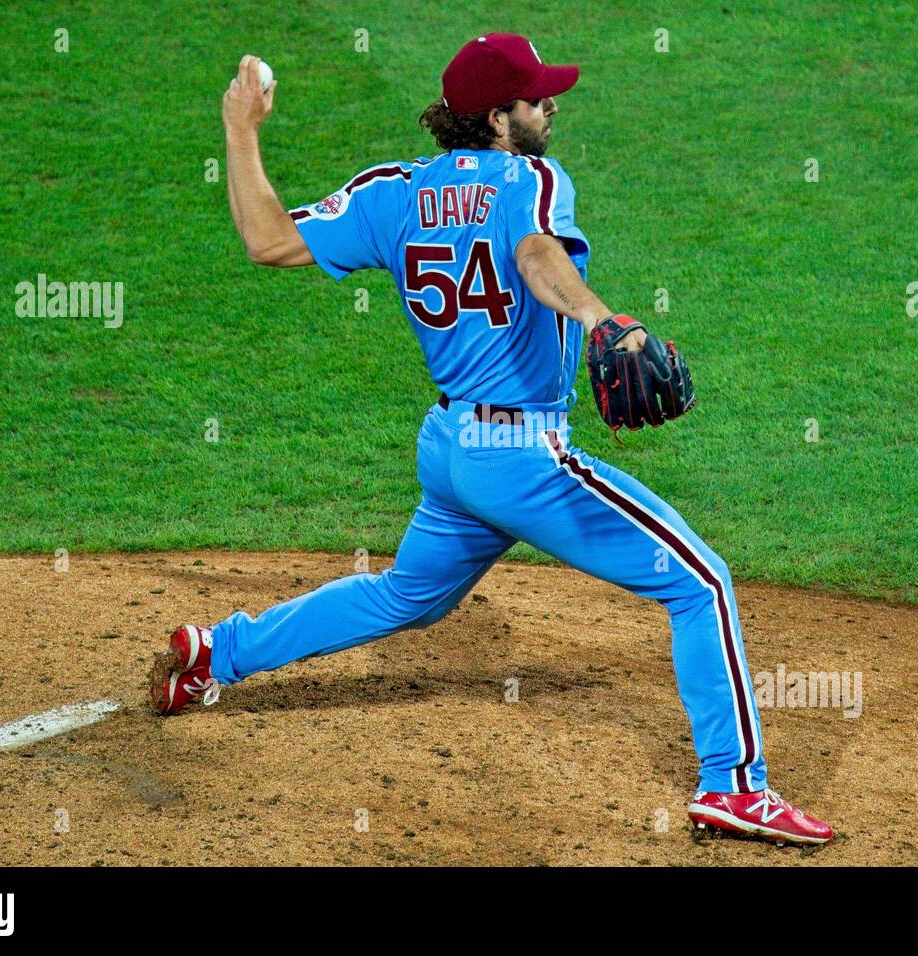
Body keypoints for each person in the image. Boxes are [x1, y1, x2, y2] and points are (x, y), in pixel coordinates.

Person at [150, 34, 833, 846]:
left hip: (449, 449)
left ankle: (215, 654)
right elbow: (537, 252)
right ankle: (735, 786)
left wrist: (241, 130)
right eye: (536, 98)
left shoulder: (393, 192)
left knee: (407, 595)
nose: (551, 105)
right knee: (701, 584)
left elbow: (267, 240)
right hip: (520, 460)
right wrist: (600, 318)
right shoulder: (530, 179)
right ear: (496, 118)